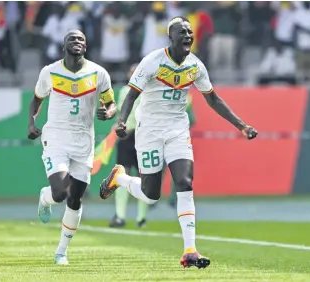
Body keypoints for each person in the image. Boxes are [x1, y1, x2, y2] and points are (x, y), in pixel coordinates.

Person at [99, 17, 257, 269]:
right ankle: (120, 178)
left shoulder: (196, 66)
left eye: (190, 32)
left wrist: (242, 125)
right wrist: (121, 122)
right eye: (182, 32)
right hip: (149, 131)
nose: (188, 35)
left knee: (184, 182)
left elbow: (213, 99)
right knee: (151, 196)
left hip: (177, 130)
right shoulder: (152, 61)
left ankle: (190, 250)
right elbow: (130, 96)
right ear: (170, 37)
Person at [27, 30, 116, 265]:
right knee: (60, 192)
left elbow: (111, 104)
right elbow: (37, 98)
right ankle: (45, 198)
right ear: (64, 46)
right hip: (56, 138)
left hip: (84, 142)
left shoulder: (99, 73)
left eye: (81, 40)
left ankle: (61, 252)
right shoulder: (50, 72)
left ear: (85, 47)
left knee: (75, 199)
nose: (77, 41)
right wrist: (31, 122)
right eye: (72, 39)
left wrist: (107, 113)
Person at [109, 64, 148, 229]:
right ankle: (126, 216)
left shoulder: (134, 91)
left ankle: (131, 216)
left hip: (139, 137)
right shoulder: (141, 91)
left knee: (138, 177)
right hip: (132, 137)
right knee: (128, 176)